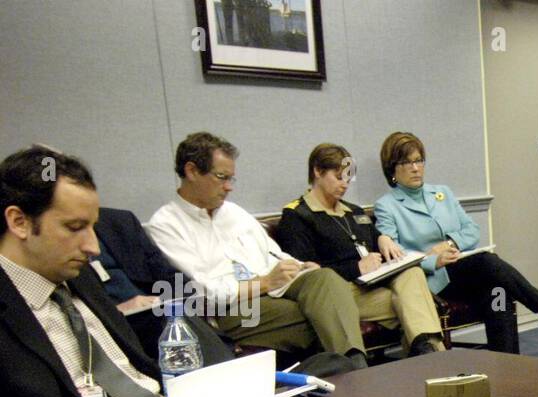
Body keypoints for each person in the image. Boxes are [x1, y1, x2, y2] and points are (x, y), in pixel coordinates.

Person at [146, 132, 372, 367]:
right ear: (192, 171)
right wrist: (262, 283)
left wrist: (299, 266)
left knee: (324, 278)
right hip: (233, 309)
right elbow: (203, 293)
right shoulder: (166, 224)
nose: (228, 187)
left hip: (275, 291)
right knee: (327, 314)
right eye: (221, 177)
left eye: (231, 179)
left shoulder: (234, 213)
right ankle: (356, 372)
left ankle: (351, 368)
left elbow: (274, 254)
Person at [0, 146, 162, 397]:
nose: (93, 247)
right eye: (74, 228)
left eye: (92, 227)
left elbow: (139, 366)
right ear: (19, 221)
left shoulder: (78, 276)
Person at [373, 131, 538, 353]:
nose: (415, 168)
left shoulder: (442, 193)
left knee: (497, 292)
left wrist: (450, 243)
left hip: (463, 272)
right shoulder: (387, 206)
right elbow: (396, 257)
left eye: (418, 160)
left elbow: (472, 231)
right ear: (392, 168)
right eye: (406, 162)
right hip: (431, 280)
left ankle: (508, 365)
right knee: (487, 262)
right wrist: (433, 260)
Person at [276, 143, 444, 357]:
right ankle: (433, 355)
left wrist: (383, 238)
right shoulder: (298, 216)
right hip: (340, 294)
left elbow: (374, 242)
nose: (344, 184)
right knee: (414, 306)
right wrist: (356, 268)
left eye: (348, 178)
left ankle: (425, 351)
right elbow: (308, 275)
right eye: (339, 177)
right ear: (317, 172)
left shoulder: (353, 212)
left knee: (412, 273)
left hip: (372, 286)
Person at [92, 206, 232, 367]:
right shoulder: (62, 240)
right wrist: (116, 311)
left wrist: (170, 300)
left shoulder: (120, 221)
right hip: (116, 326)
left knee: (176, 318)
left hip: (159, 312)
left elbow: (168, 274)